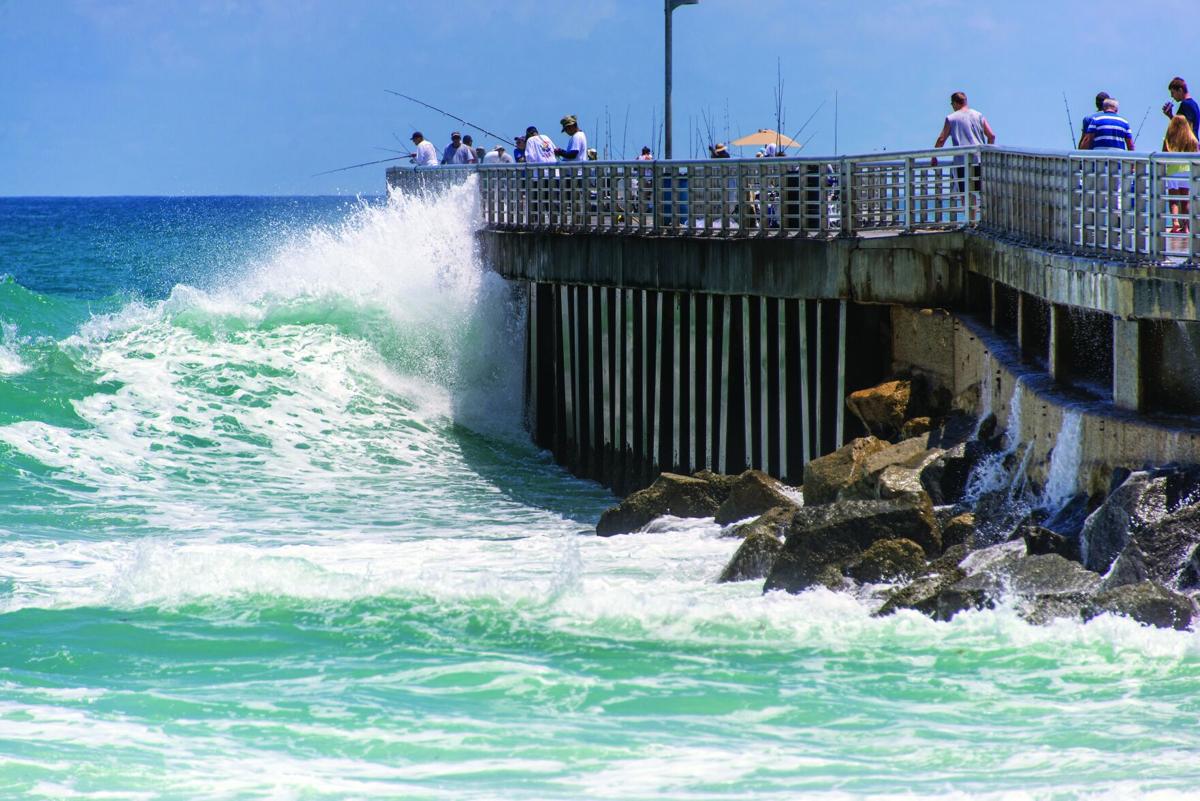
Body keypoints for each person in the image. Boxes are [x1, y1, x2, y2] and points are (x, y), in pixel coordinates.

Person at [1163, 114, 1198, 234]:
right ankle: (1187, 227)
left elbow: (1164, 153)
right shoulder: (1191, 138)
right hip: (1187, 170)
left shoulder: (1170, 138)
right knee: (1185, 200)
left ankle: (1175, 223)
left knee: (1173, 199)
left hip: (1173, 170)